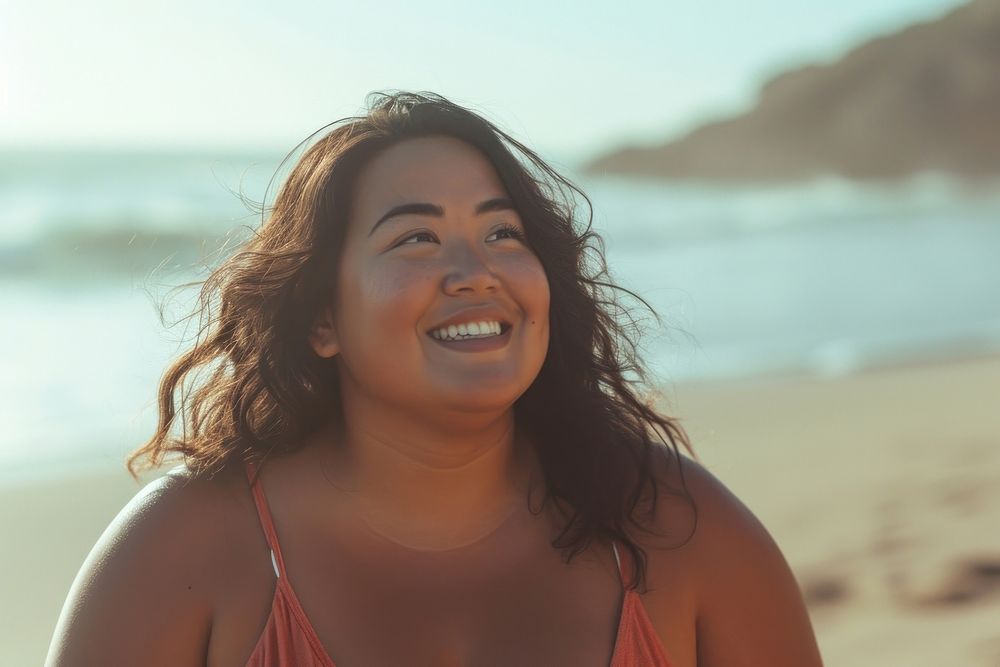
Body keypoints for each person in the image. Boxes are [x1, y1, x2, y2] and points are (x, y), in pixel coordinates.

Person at [46, 91, 824, 666]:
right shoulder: (185, 550)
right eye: (416, 237)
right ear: (322, 318)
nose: (474, 271)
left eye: (501, 232)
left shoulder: (675, 529)